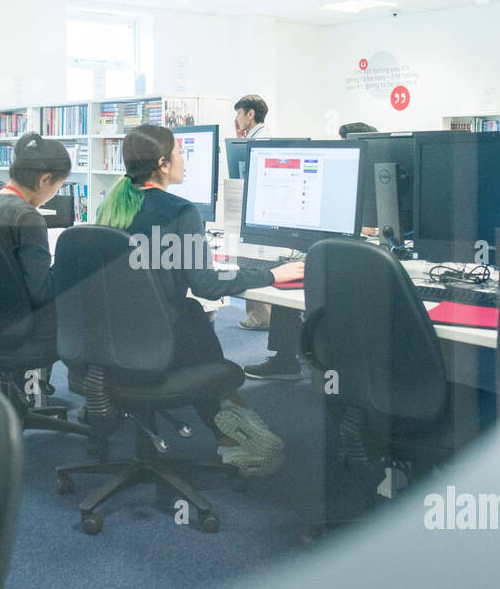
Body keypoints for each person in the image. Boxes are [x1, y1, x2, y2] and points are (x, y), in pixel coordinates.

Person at [96, 124, 304, 475]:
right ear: (163, 164)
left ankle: (232, 430)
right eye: (180, 153)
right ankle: (234, 432)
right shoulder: (179, 210)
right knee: (193, 316)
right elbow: (206, 283)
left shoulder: (112, 204)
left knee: (190, 314)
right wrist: (272, 274)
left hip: (110, 344)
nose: (184, 160)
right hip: (157, 344)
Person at [243, 121, 377, 382]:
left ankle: (313, 362)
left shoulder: (359, 174)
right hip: (331, 243)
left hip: (357, 248)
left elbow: (374, 227)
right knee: (289, 273)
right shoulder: (337, 175)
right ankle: (286, 359)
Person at [0, 132, 72, 374]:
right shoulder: (27, 216)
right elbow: (42, 292)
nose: (55, 194)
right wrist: (66, 265)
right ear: (45, 179)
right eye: (59, 186)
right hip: (18, 328)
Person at [234, 94, 272, 330]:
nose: (237, 119)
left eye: (239, 113)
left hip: (260, 207)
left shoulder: (262, 139)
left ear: (251, 113)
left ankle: (261, 316)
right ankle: (260, 315)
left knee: (251, 257)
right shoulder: (252, 138)